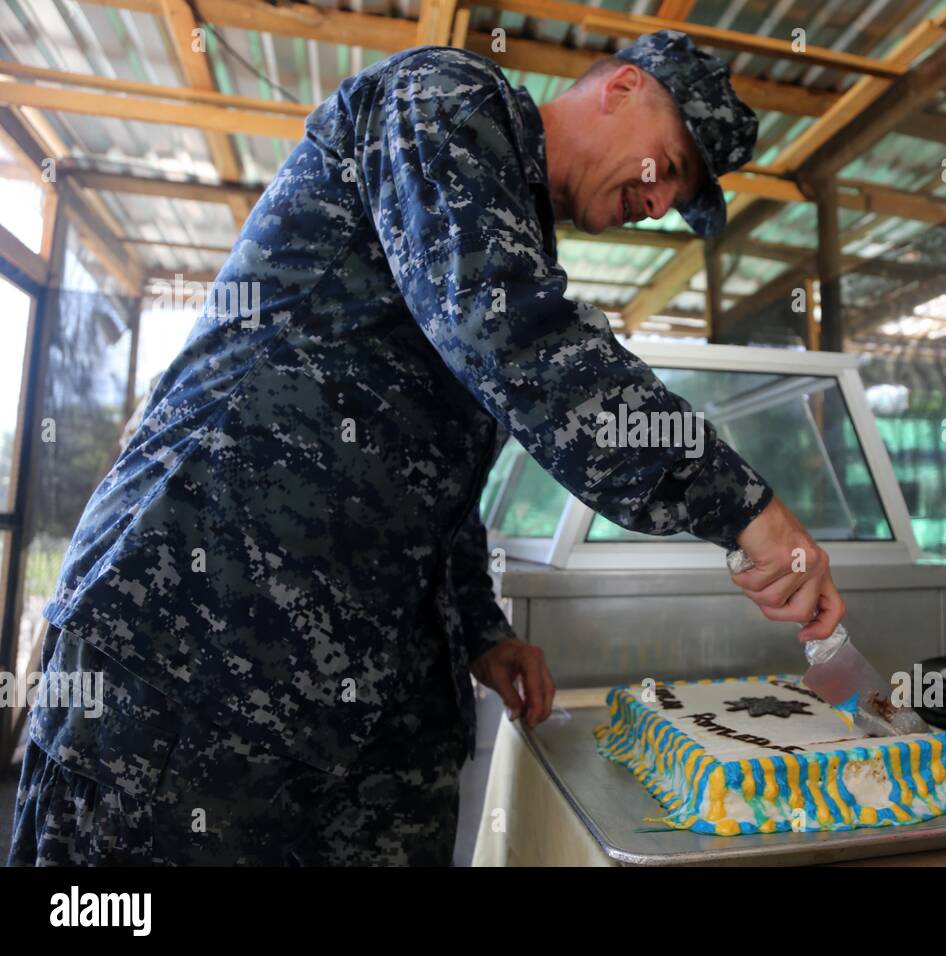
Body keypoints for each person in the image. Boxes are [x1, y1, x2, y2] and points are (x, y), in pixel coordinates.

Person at [8, 30, 843, 866]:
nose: (660, 202)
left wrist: (477, 625)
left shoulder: (508, 228)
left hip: (346, 688)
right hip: (197, 639)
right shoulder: (446, 99)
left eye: (682, 196)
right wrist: (746, 508)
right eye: (672, 164)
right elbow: (514, 338)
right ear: (621, 88)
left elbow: (427, 467)